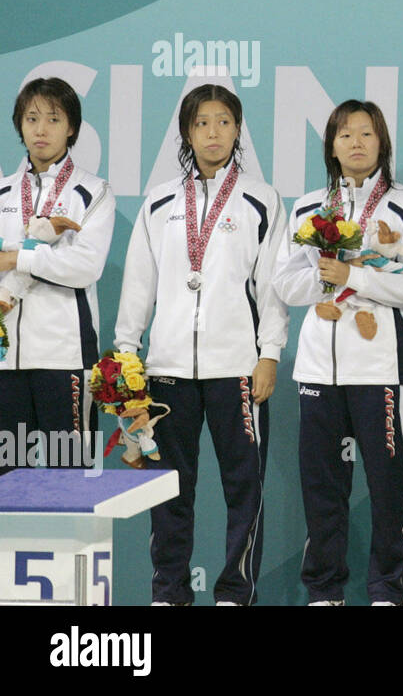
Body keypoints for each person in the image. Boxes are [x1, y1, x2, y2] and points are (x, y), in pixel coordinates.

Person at [116, 84, 287, 605]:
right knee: (168, 490)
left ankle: (236, 593)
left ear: (238, 130)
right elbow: (139, 283)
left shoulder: (262, 200)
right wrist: (127, 352)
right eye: (202, 123)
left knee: (245, 491)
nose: (213, 133)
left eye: (224, 122)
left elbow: (272, 286)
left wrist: (269, 353)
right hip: (167, 368)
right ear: (187, 133)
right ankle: (169, 593)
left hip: (237, 367)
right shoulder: (160, 201)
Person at [273, 99, 403, 605]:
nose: (356, 143)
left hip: (383, 369)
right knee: (323, 492)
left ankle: (388, 592)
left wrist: (354, 276)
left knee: (388, 489)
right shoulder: (308, 208)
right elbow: (284, 282)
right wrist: (324, 279)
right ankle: (325, 593)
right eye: (345, 135)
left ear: (382, 142)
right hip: (319, 370)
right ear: (331, 145)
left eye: (366, 133)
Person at [0, 78, 115, 473]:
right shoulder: (2, 193)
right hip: (5, 362)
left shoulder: (93, 191)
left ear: (71, 127)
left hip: (65, 358)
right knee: (7, 484)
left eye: (53, 118)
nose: (41, 129)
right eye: (31, 118)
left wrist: (17, 259)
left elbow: (85, 266)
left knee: (74, 479)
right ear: (20, 125)